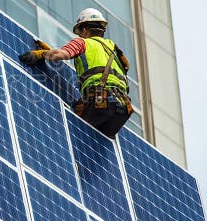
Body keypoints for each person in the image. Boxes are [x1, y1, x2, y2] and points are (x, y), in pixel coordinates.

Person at [19, 8, 133, 138]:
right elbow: (125, 67)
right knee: (93, 142)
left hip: (101, 102)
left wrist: (42, 54)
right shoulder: (114, 49)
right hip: (122, 110)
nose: (79, 35)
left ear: (85, 30)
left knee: (75, 135)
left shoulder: (82, 42)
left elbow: (62, 54)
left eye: (80, 31)